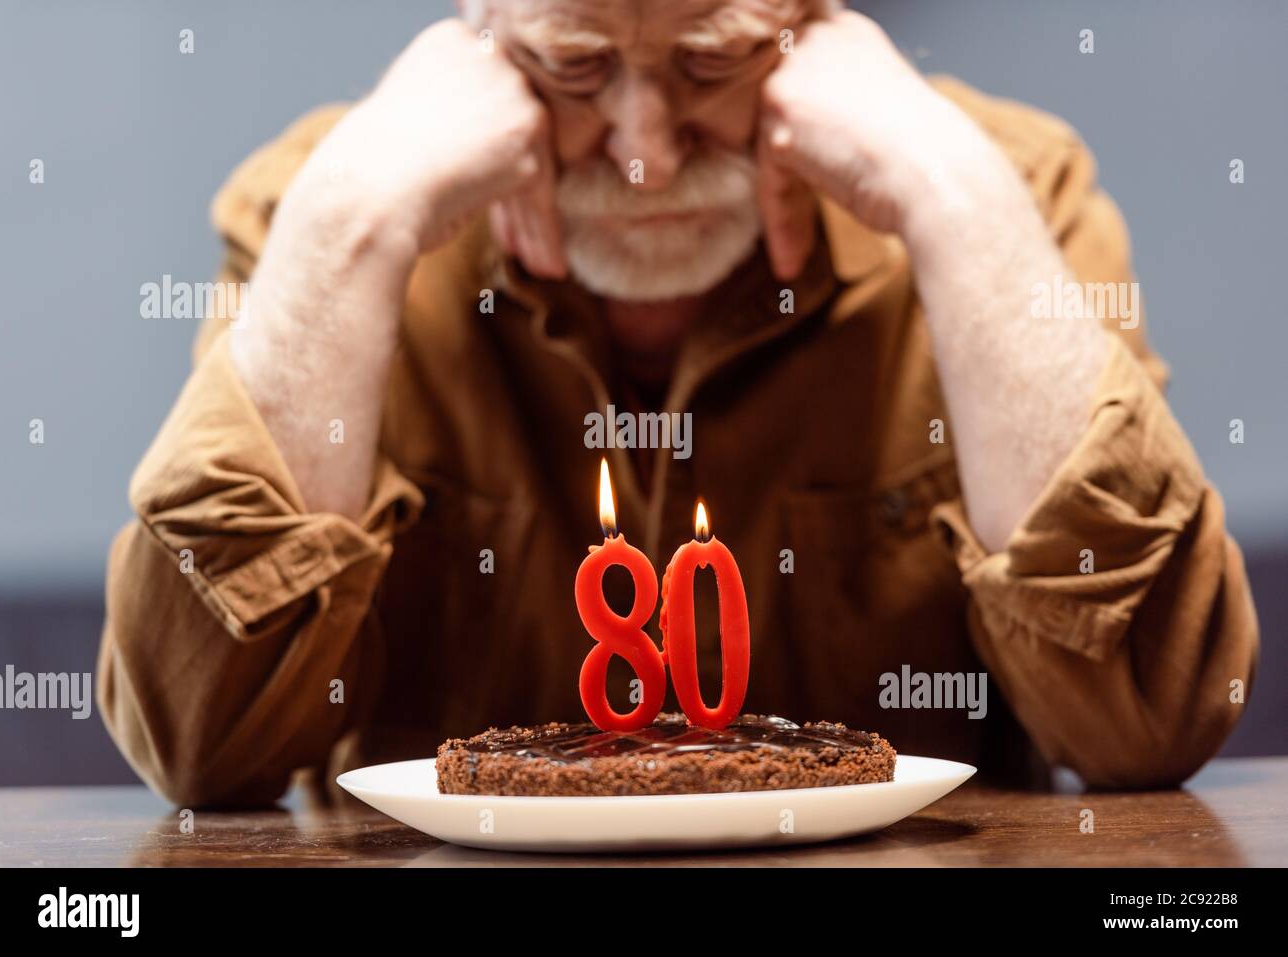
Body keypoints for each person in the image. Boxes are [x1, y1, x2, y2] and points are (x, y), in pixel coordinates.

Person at [98, 0, 1258, 806]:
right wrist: (351, 223)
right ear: (480, 42)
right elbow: (200, 750)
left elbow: (1148, 726)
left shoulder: (1003, 186)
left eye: (712, 63)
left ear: (817, 38)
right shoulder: (327, 214)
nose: (645, 148)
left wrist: (954, 205)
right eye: (572, 66)